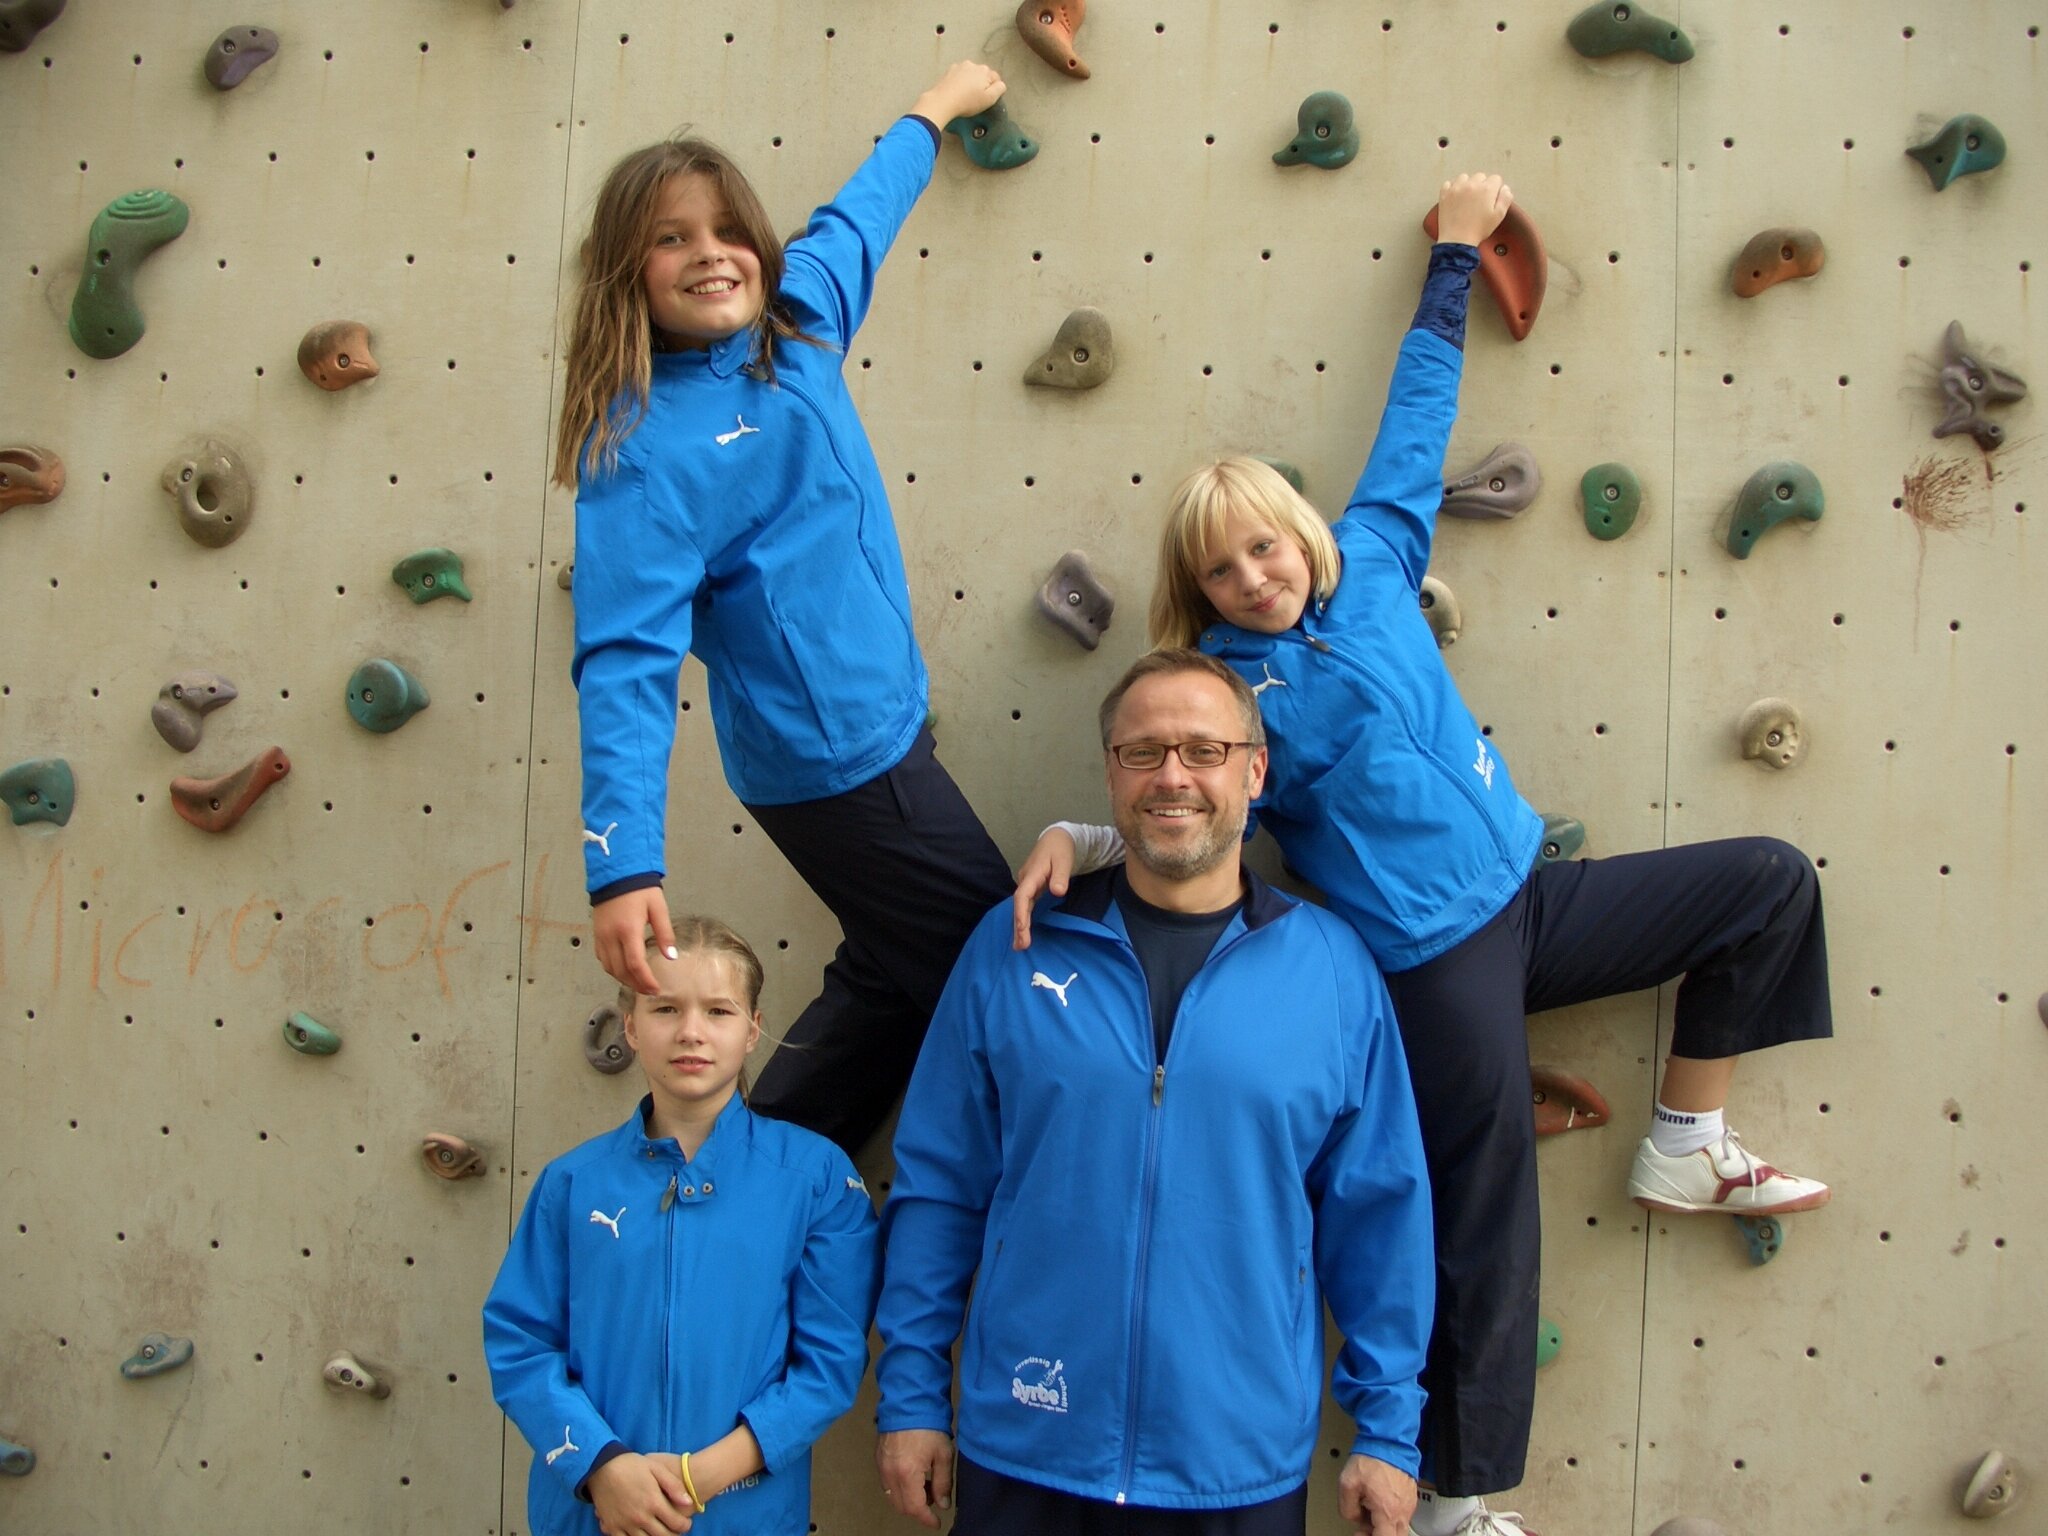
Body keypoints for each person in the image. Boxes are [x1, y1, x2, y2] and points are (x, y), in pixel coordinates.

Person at [1013, 175, 1835, 1536]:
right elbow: (1185, 804)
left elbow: (1418, 408)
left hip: (1533, 897)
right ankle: (1459, 1502)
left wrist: (1455, 253)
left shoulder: (1380, 556)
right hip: (1428, 962)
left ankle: (1687, 1138)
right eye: (1223, 571)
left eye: (1265, 547)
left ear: (1300, 530)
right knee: (1480, 1211)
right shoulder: (1232, 692)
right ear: (1201, 591)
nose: (1256, 579)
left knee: (1765, 882)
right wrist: (1072, 834)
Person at [557, 64, 1016, 1155]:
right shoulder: (641, 455)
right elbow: (622, 664)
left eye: (726, 229)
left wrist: (934, 111)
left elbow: (859, 214)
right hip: (832, 767)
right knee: (1002, 958)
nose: (710, 251)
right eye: (671, 238)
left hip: (886, 721)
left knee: (893, 977)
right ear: (628, 272)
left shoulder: (798, 322)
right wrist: (620, 866)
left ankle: (745, 1179)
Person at [876, 651, 1434, 1536]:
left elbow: (1382, 1214)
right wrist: (910, 1396)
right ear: (1109, 771)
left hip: (1234, 1466)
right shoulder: (1018, 943)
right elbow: (940, 1181)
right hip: (1027, 1438)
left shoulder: (1333, 972)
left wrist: (1390, 1434)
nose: (1174, 777)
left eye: (1204, 751)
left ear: (1254, 769)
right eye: (1144, 753)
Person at [484, 916, 880, 1536]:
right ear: (632, 1027)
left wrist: (703, 1475)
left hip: (740, 1514)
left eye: (718, 1012)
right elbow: (521, 1342)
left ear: (752, 1031)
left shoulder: (815, 1179)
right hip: (593, 1513)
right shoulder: (573, 1183)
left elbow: (830, 1361)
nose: (691, 1032)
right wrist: (603, 1466)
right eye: (666, 1008)